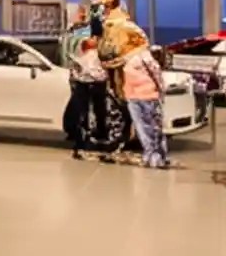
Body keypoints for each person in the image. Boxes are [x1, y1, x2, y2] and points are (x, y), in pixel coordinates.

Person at [116, 23, 170, 168]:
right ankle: (150, 155)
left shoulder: (144, 55)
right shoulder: (126, 58)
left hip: (148, 96)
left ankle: (158, 157)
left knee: (154, 128)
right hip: (133, 97)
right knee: (142, 128)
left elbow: (156, 73)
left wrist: (161, 91)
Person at [68, 35, 109, 159]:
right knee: (99, 112)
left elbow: (77, 73)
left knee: (83, 114)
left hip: (84, 86)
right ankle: (101, 138)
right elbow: (96, 72)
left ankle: (82, 143)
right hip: (96, 86)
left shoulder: (83, 57)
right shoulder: (94, 56)